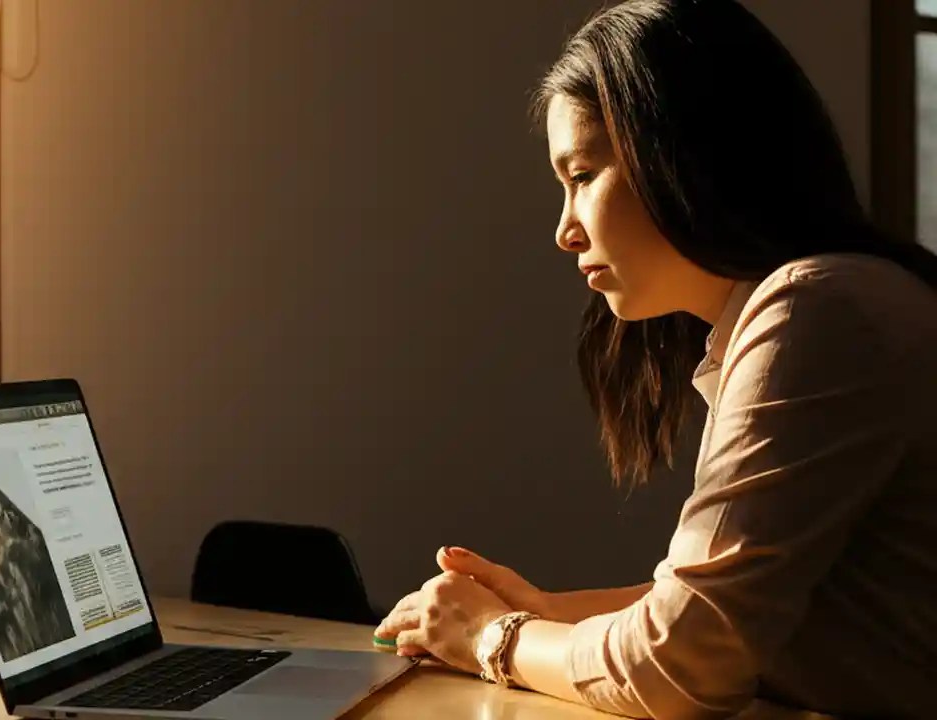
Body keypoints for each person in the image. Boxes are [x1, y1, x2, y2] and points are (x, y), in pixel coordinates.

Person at [372, 1, 937, 717]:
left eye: (582, 175)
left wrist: (492, 636)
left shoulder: (816, 308)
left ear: (680, 153)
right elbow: (733, 610)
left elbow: (682, 663)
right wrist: (544, 612)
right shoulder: (824, 302)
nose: (565, 230)